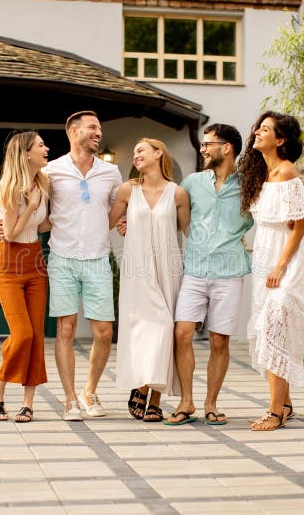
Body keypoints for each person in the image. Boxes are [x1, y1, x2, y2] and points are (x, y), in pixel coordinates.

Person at [0, 111, 122, 421]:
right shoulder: (50, 172)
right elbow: (33, 213)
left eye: (99, 128)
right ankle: (68, 399)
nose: (98, 133)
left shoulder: (112, 172)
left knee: (104, 332)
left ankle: (89, 391)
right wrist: (1, 226)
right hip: (61, 258)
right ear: (73, 131)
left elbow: (120, 207)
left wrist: (126, 220)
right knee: (64, 329)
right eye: (93, 127)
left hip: (97, 259)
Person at [164, 123, 254, 426]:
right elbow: (173, 218)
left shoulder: (249, 185)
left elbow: (266, 217)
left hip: (230, 272)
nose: (202, 149)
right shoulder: (191, 182)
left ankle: (211, 403)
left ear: (225, 148)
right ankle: (186, 401)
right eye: (202, 144)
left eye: (208, 144)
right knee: (182, 332)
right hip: (195, 270)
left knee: (219, 340)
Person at [237, 110, 304, 431]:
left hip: (287, 261)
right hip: (265, 260)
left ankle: (275, 410)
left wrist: (281, 265)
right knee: (272, 329)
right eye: (258, 128)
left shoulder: (286, 172)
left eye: (265, 130)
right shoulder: (263, 175)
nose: (257, 133)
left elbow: (300, 225)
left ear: (280, 140)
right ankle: (286, 402)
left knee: (275, 323)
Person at [108, 138, 190, 422]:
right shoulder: (128, 190)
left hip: (168, 270)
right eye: (134, 152)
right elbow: (106, 221)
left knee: (165, 329)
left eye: (141, 150)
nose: (136, 155)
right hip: (137, 272)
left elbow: (191, 232)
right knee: (143, 330)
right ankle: (144, 387)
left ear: (159, 153)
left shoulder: (177, 193)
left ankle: (151, 395)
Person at [0, 131, 51, 423]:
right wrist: (32, 208)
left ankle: (28, 403)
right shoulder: (10, 188)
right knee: (22, 334)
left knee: (35, 334)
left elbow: (46, 224)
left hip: (35, 261)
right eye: (41, 145)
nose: (46, 148)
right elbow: (11, 233)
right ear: (26, 153)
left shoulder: (45, 180)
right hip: (9, 263)